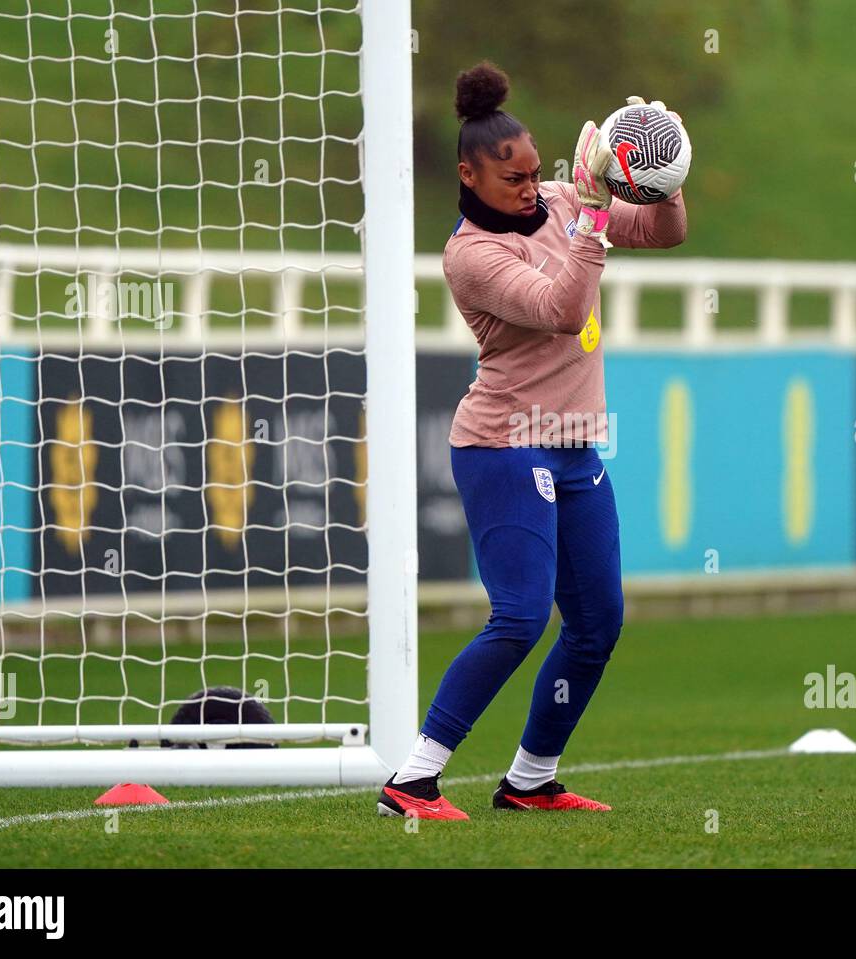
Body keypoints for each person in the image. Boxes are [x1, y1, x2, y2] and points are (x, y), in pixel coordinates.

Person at [378, 60, 688, 820]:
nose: (529, 187)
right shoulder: (470, 255)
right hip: (503, 443)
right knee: (519, 616)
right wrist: (588, 214)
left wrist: (657, 163)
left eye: (532, 171)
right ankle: (411, 780)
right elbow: (560, 306)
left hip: (575, 444)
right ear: (469, 175)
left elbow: (664, 230)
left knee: (597, 623)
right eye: (512, 178)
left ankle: (528, 780)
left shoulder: (558, 200)